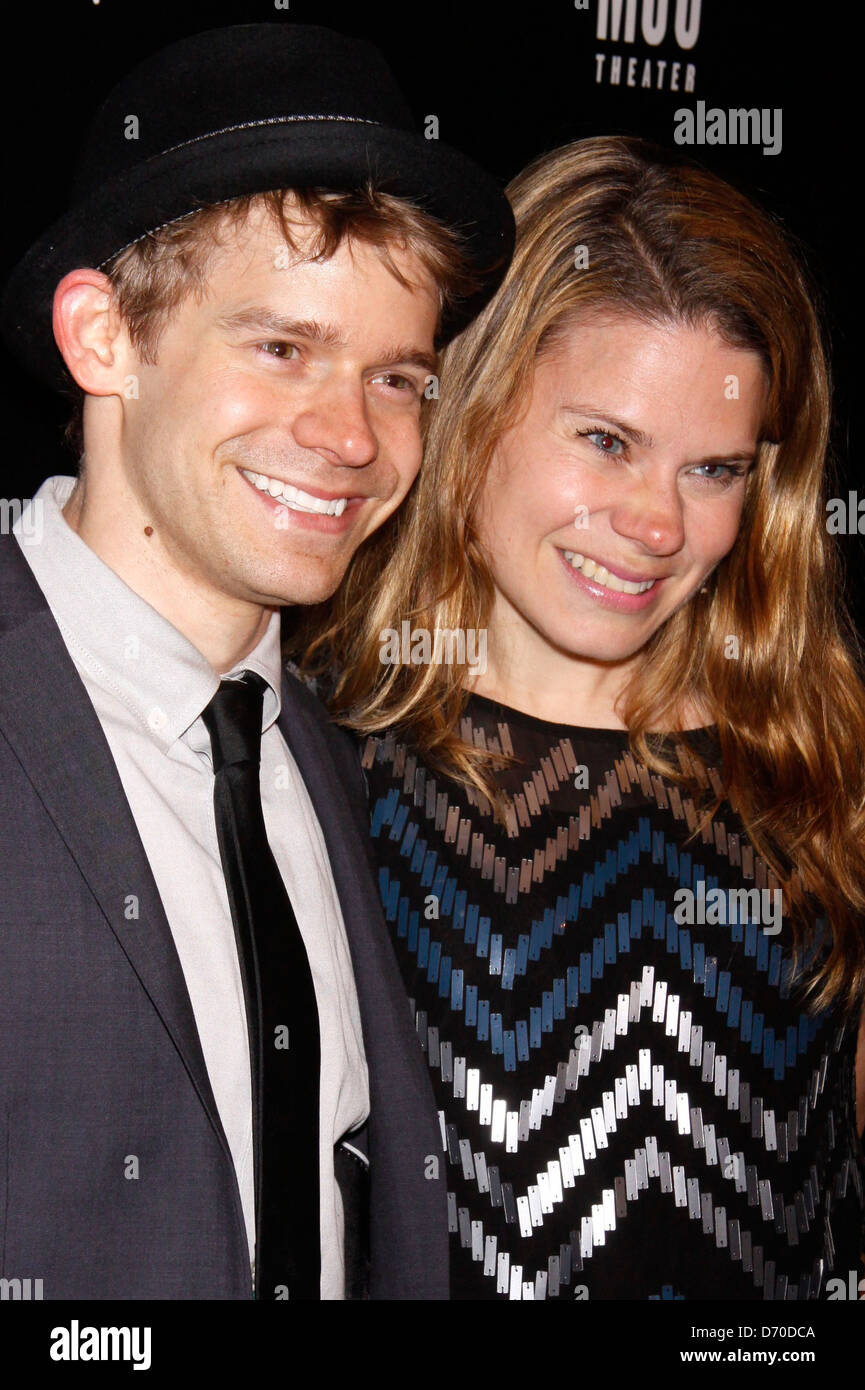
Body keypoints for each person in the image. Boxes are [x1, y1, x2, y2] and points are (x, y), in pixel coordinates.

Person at [295, 137, 865, 1299]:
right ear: (476, 408)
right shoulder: (318, 766)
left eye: (712, 469)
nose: (657, 523)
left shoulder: (823, 774)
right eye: (606, 441)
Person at [0, 22, 514, 1300]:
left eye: (398, 377)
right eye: (280, 348)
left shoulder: (331, 760)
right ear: (103, 337)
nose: (351, 435)